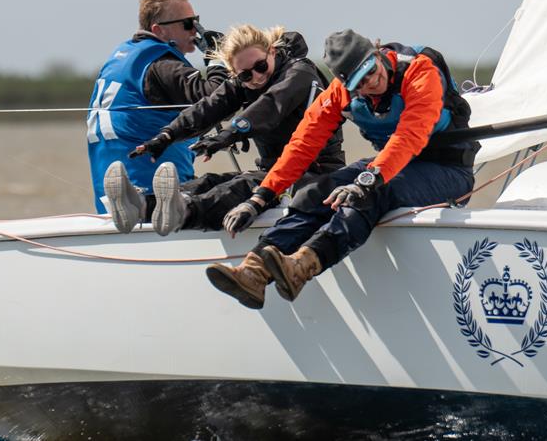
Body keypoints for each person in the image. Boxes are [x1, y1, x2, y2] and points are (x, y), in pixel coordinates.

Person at [206, 29, 480, 309]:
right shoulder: (341, 92)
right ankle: (253, 272)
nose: (371, 84)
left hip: (447, 170)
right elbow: (303, 144)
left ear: (376, 54)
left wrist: (366, 181)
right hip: (390, 166)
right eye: (360, 84)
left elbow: (410, 135)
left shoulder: (419, 70)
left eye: (372, 72)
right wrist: (261, 196)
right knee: (314, 194)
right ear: (346, 83)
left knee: (368, 194)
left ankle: (301, 267)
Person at [104, 24, 346, 237]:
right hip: (273, 172)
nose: (257, 78)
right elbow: (209, 107)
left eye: (261, 66)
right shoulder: (244, 81)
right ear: (235, 73)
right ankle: (144, 206)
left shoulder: (300, 72)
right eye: (245, 75)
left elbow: (271, 106)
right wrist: (166, 135)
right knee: (210, 181)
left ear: (272, 51)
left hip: (317, 176)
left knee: (242, 185)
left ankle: (185, 212)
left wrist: (228, 134)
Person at [87, 0, 227, 216]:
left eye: (197, 21)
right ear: (159, 30)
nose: (197, 30)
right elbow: (215, 100)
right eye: (188, 23)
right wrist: (218, 59)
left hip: (111, 205)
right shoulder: (162, 65)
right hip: (154, 203)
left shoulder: (119, 60)